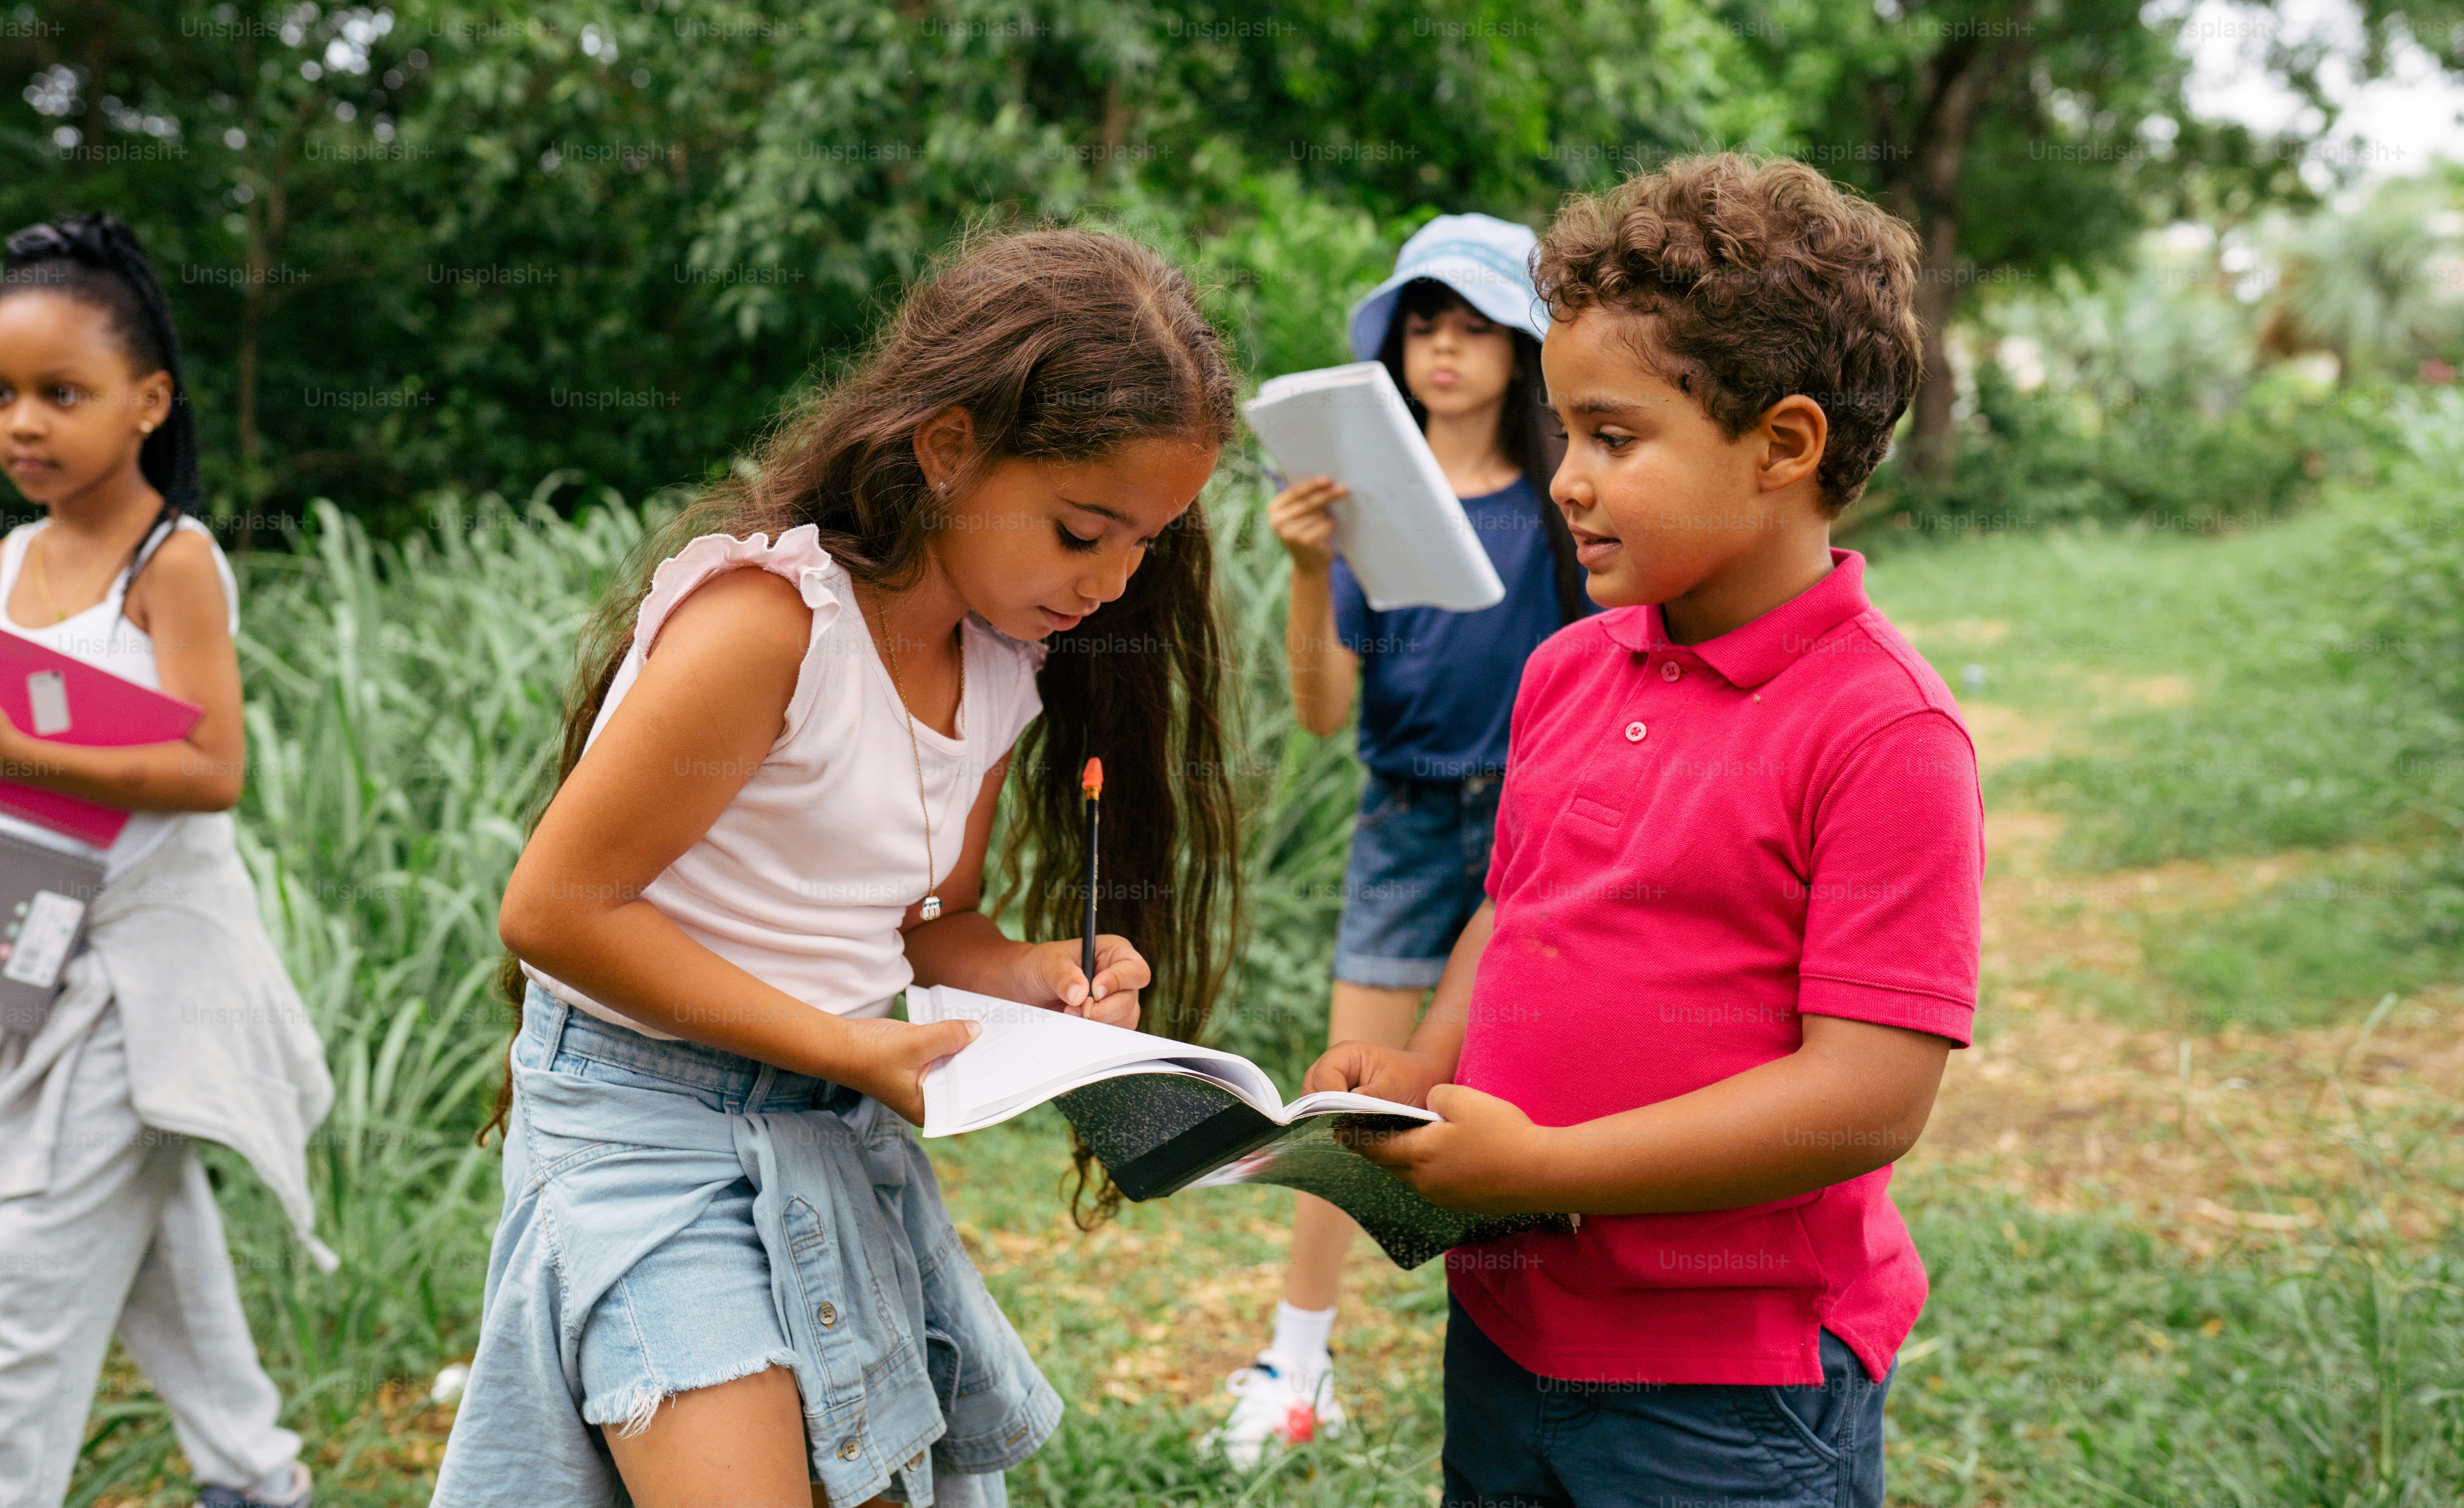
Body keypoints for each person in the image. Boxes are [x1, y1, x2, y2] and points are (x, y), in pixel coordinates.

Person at [430, 228, 1245, 1508]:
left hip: (826, 1123)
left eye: (1148, 542)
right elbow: (556, 911)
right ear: (948, 449)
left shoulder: (996, 669)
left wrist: (1036, 972)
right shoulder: (770, 630)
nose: (1116, 580)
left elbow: (928, 924)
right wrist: (844, 1045)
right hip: (647, 1126)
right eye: (1087, 529)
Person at [1309, 154, 1983, 1508]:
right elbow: (1515, 911)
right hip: (1507, 1330)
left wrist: (1548, 1167)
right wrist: (1421, 1072)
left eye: (1614, 440)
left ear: (1784, 447)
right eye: (1564, 435)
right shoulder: (1566, 669)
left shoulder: (1883, 732)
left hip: (1729, 1389)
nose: (1565, 480)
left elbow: (1868, 1098)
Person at [1211, 214, 1589, 1465]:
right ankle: (1295, 1358)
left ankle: (1557, 1359)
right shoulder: (1355, 502)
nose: (1446, 346)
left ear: (1524, 349)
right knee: (1349, 1094)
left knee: (1528, 1096)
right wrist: (1314, 571)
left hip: (1538, 814)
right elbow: (1323, 710)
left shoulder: (1562, 503)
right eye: (1426, 321)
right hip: (1404, 816)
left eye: (1477, 324)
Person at [0, 214, 334, 1508]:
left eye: (59, 393)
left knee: (27, 1272)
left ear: (148, 402)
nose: (24, 423)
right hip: (39, 949)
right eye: (6, 396)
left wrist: (19, 755)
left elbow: (212, 773)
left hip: (144, 978)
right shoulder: (17, 560)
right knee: (157, 1243)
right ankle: (255, 1478)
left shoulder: (172, 562)